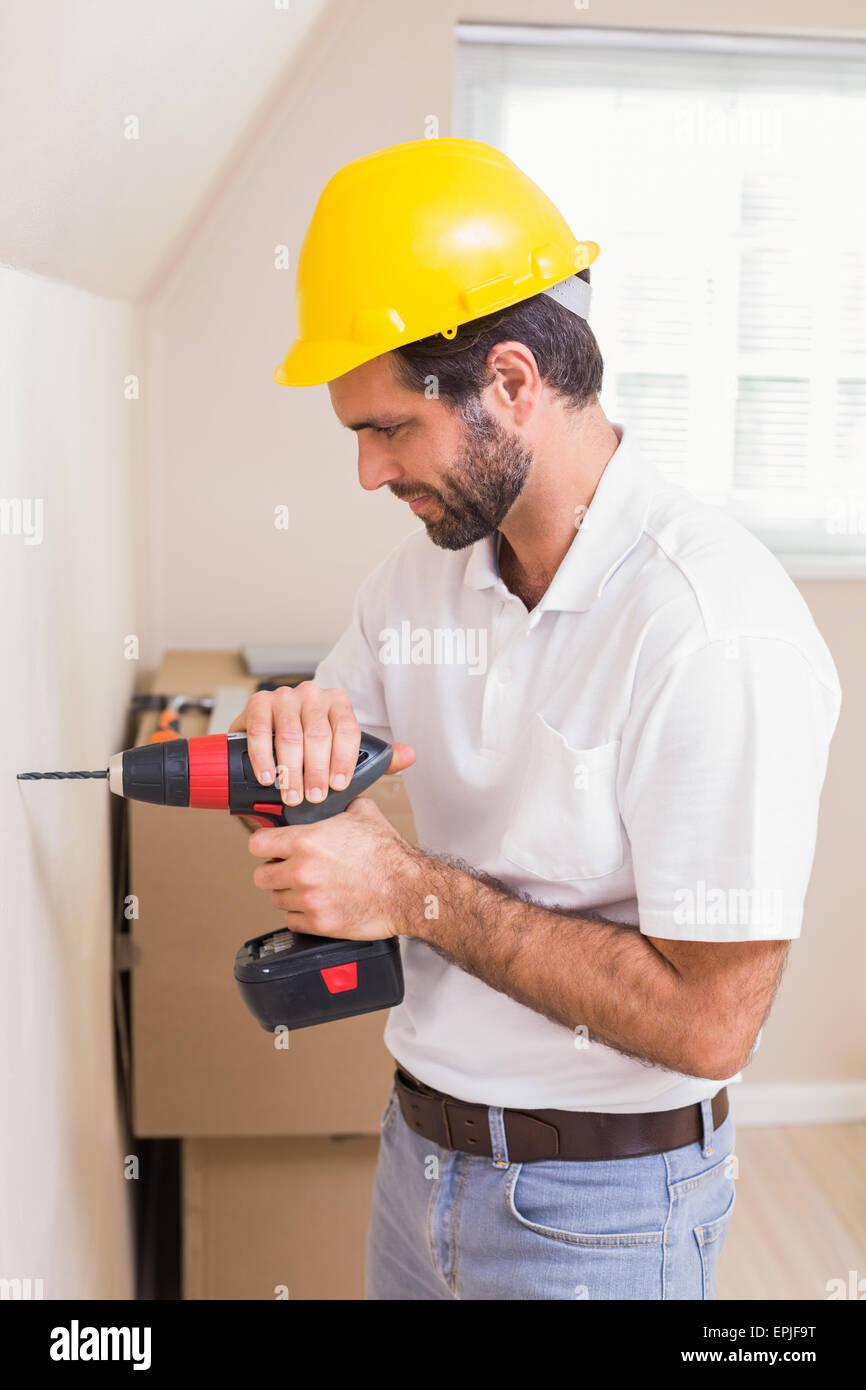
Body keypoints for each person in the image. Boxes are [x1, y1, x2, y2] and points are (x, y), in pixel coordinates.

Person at [230, 139, 841, 1300]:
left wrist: (411, 889)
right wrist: (289, 740)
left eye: (390, 428)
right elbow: (312, 791)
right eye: (353, 432)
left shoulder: (707, 622)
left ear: (511, 382)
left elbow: (712, 1024)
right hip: (417, 1162)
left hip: (600, 1217)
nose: (366, 473)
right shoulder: (423, 579)